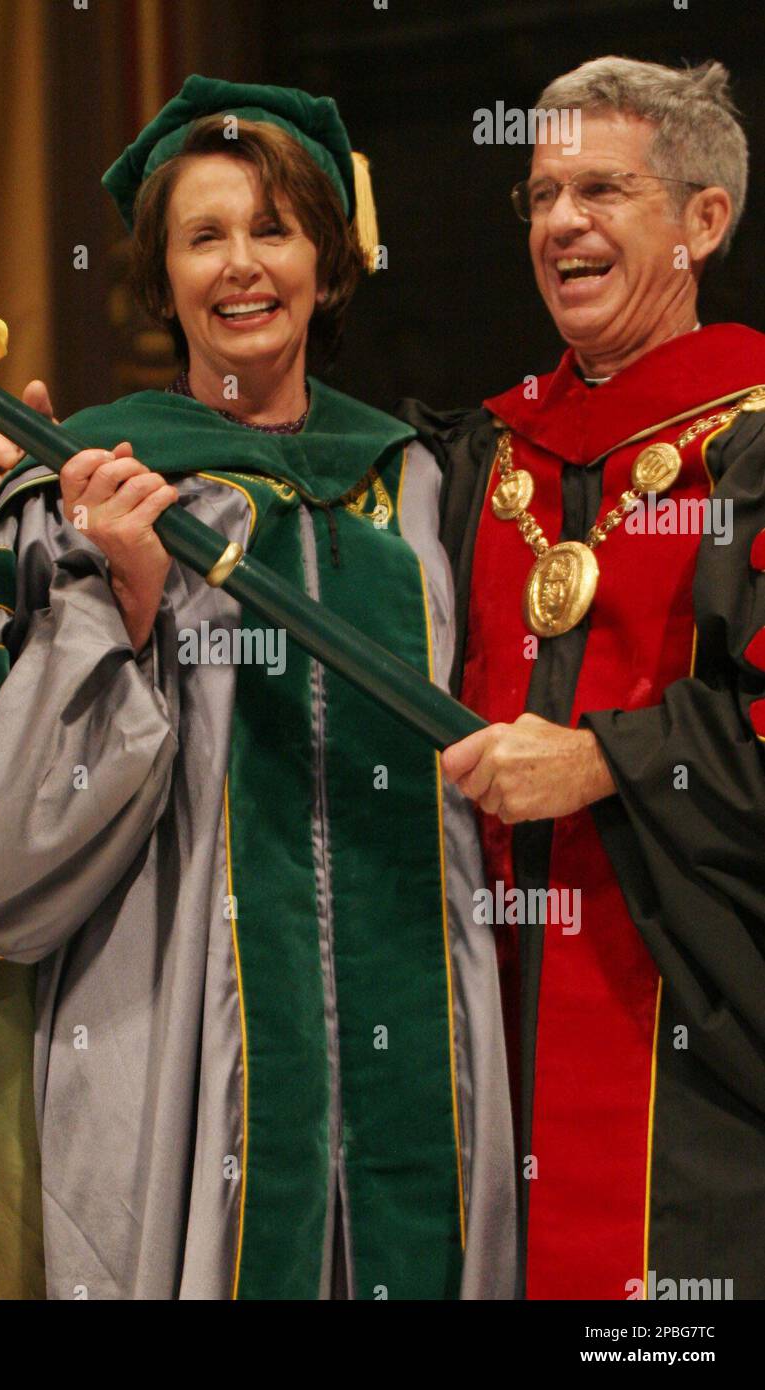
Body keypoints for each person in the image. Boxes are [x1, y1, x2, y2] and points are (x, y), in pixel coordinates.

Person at [0, 76, 515, 1300]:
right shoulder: (86, 489)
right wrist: (118, 615)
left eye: (275, 229)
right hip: (174, 1054)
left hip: (425, 1055)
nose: (243, 267)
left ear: (330, 261)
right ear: (163, 272)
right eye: (204, 236)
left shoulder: (418, 486)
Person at [397, 57, 765, 1299]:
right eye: (543, 194)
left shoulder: (753, 446)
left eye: (602, 189)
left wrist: (609, 755)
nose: (561, 223)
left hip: (706, 1062)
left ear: (703, 221)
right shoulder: (477, 458)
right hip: (482, 1061)